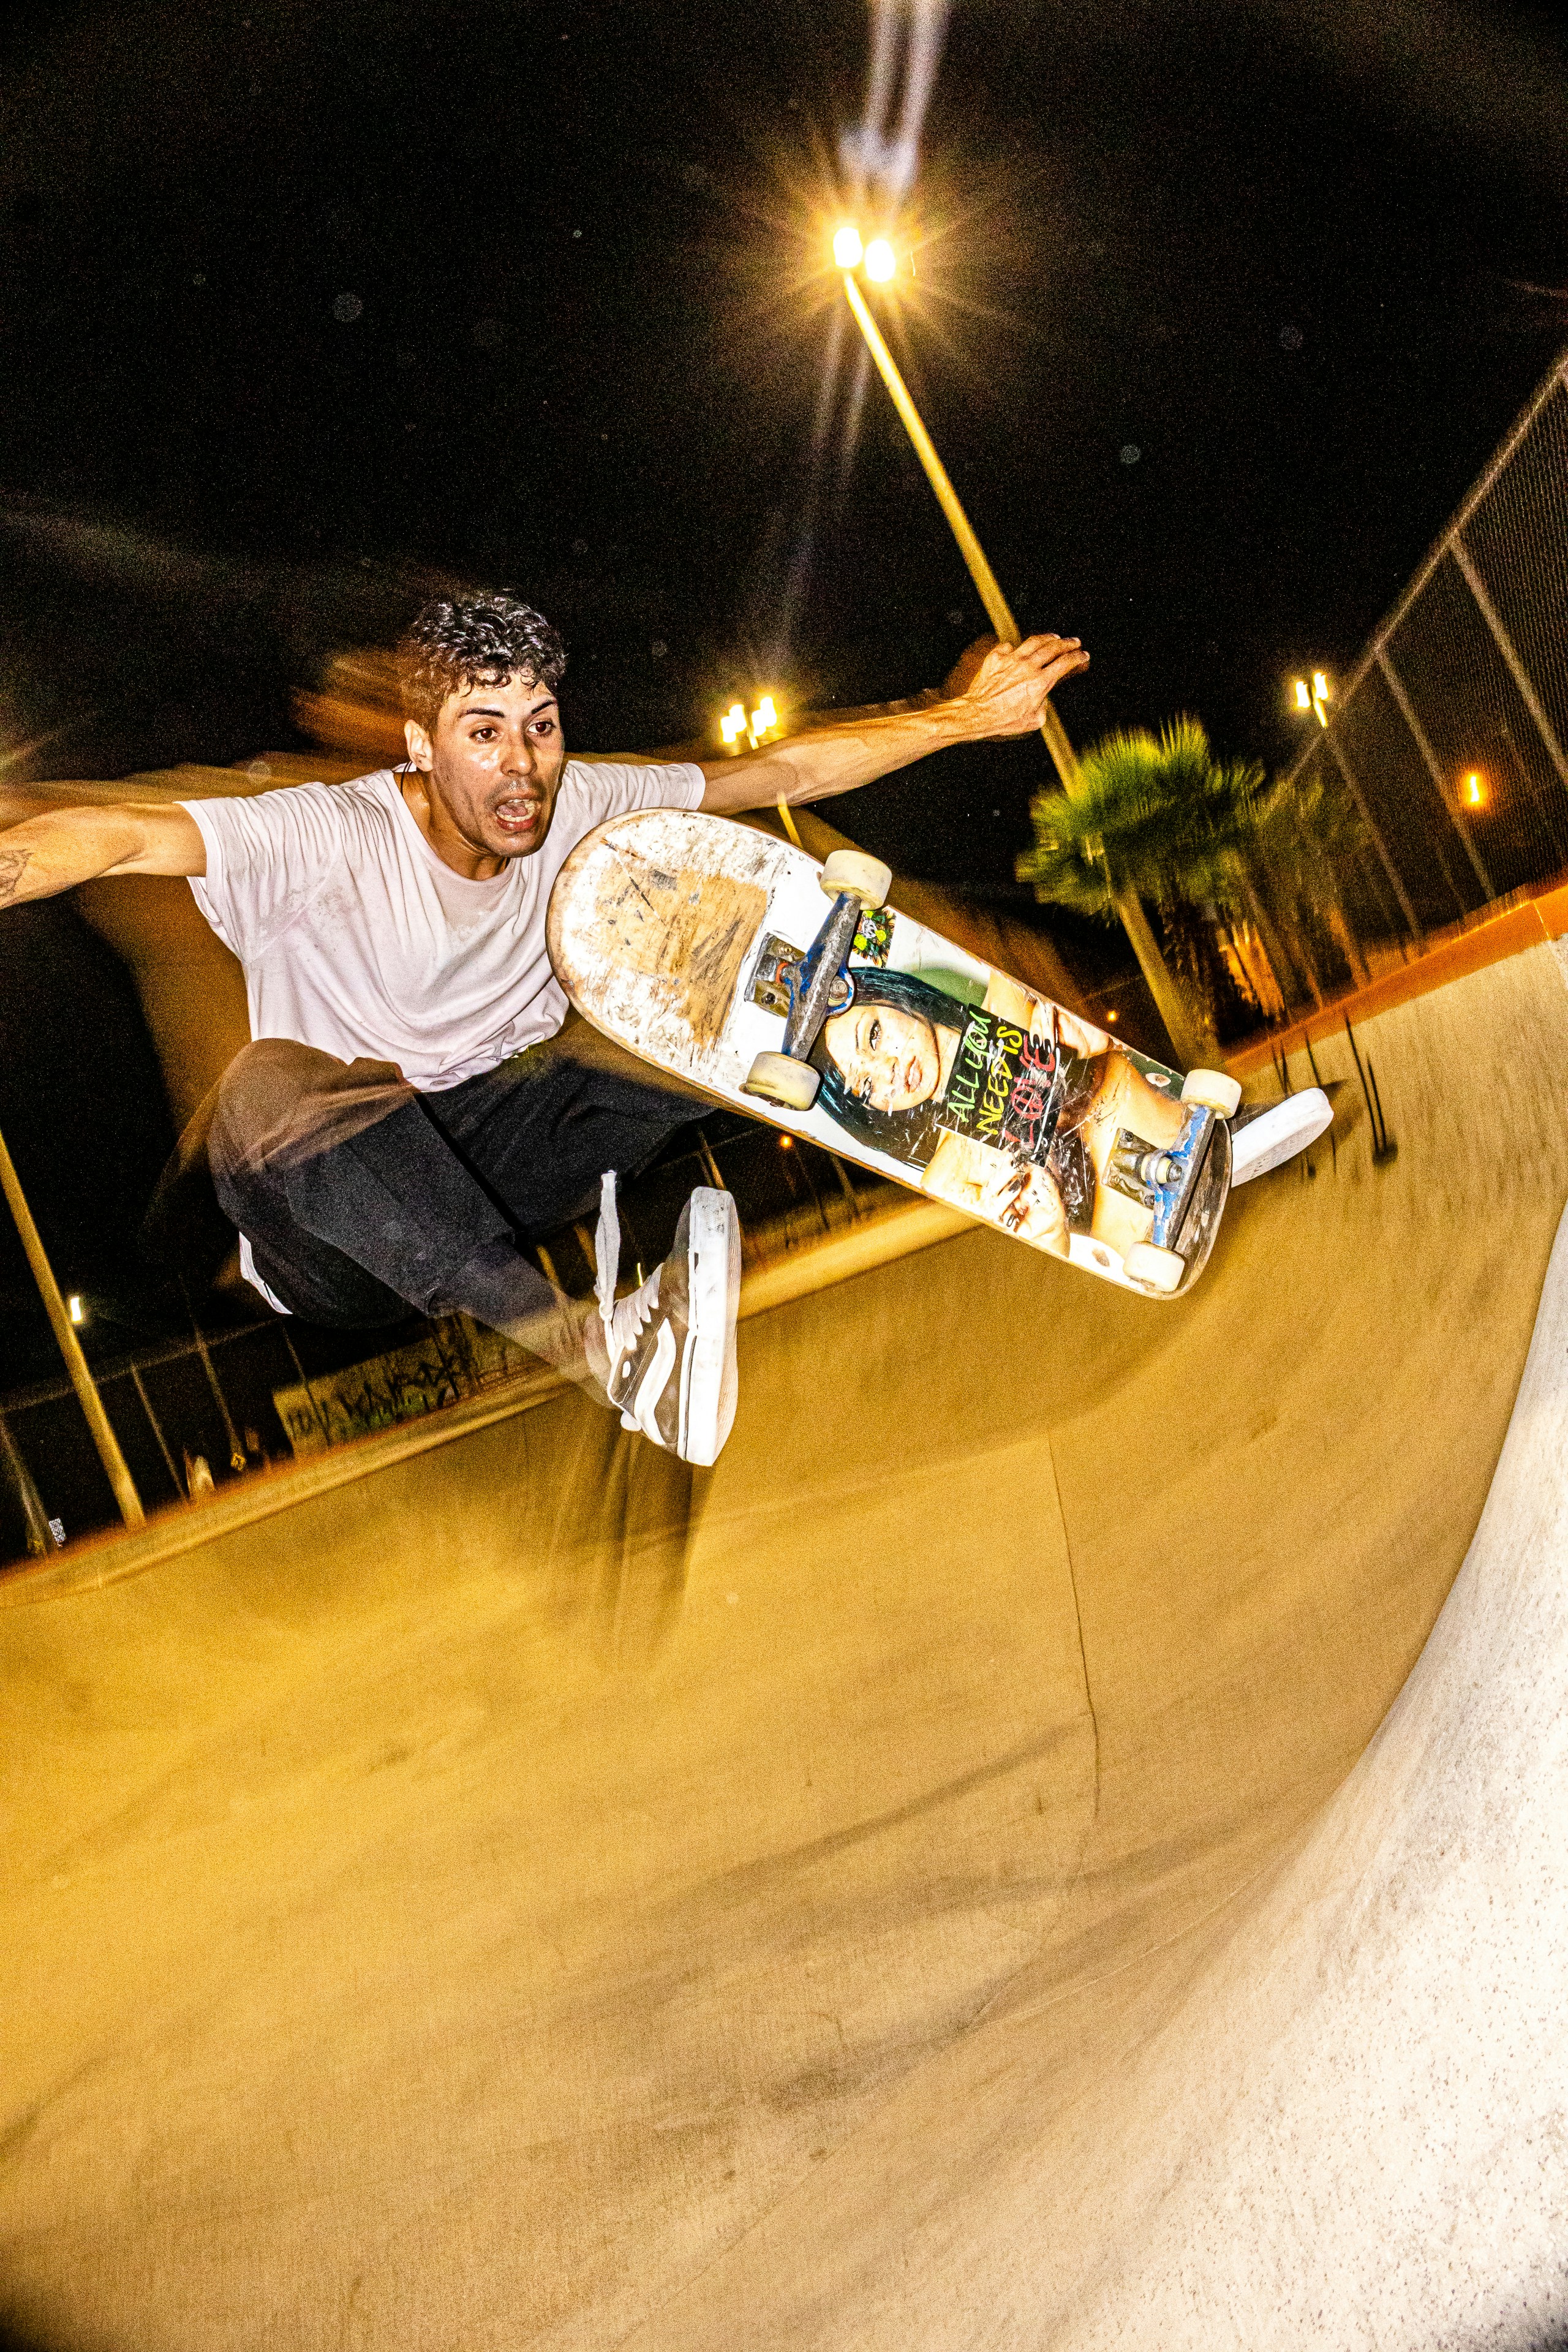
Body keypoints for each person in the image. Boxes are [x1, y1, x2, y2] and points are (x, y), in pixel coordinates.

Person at [0, 594, 1088, 1463]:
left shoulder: (582, 798)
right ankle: (594, 1345)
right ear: (420, 748)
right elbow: (111, 839)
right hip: (334, 1222)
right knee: (265, 1080)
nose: (520, 770)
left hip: (494, 1155)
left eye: (540, 728)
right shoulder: (316, 831)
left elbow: (782, 768)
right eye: (485, 736)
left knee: (684, 945)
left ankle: (1000, 1119)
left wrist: (964, 717)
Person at [809, 963, 1195, 1262]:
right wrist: (1050, 1235)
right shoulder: (947, 1177)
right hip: (1153, 1242)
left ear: (893, 997)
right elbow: (1057, 1274)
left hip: (1189, 1119)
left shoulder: (1011, 989)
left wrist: (1095, 1027)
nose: (885, 1072)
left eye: (874, 1036)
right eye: (865, 1087)